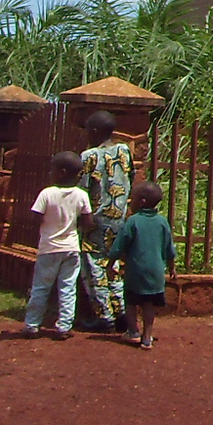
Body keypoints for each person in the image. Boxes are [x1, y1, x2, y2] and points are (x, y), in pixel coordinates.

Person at [23, 152, 94, 340]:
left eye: (52, 169)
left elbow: (35, 218)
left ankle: (32, 325)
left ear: (61, 172)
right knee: (68, 288)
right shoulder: (82, 195)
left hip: (49, 248)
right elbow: (88, 222)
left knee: (41, 287)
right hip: (71, 248)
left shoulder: (47, 194)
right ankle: (64, 326)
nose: (50, 172)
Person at [78, 110, 135, 332]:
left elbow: (82, 189)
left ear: (93, 131)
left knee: (95, 267)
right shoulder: (124, 151)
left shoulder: (89, 156)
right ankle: (121, 311)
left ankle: (104, 316)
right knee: (114, 265)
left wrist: (84, 217)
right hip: (119, 217)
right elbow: (130, 178)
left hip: (95, 218)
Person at [105, 181, 176, 349]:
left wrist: (110, 264)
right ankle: (147, 337)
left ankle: (133, 331)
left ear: (141, 201)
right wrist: (172, 268)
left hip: (136, 270)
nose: (131, 202)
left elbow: (119, 245)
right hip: (156, 271)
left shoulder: (133, 221)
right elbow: (169, 248)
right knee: (149, 304)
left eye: (133, 198)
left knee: (131, 302)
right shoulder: (162, 222)